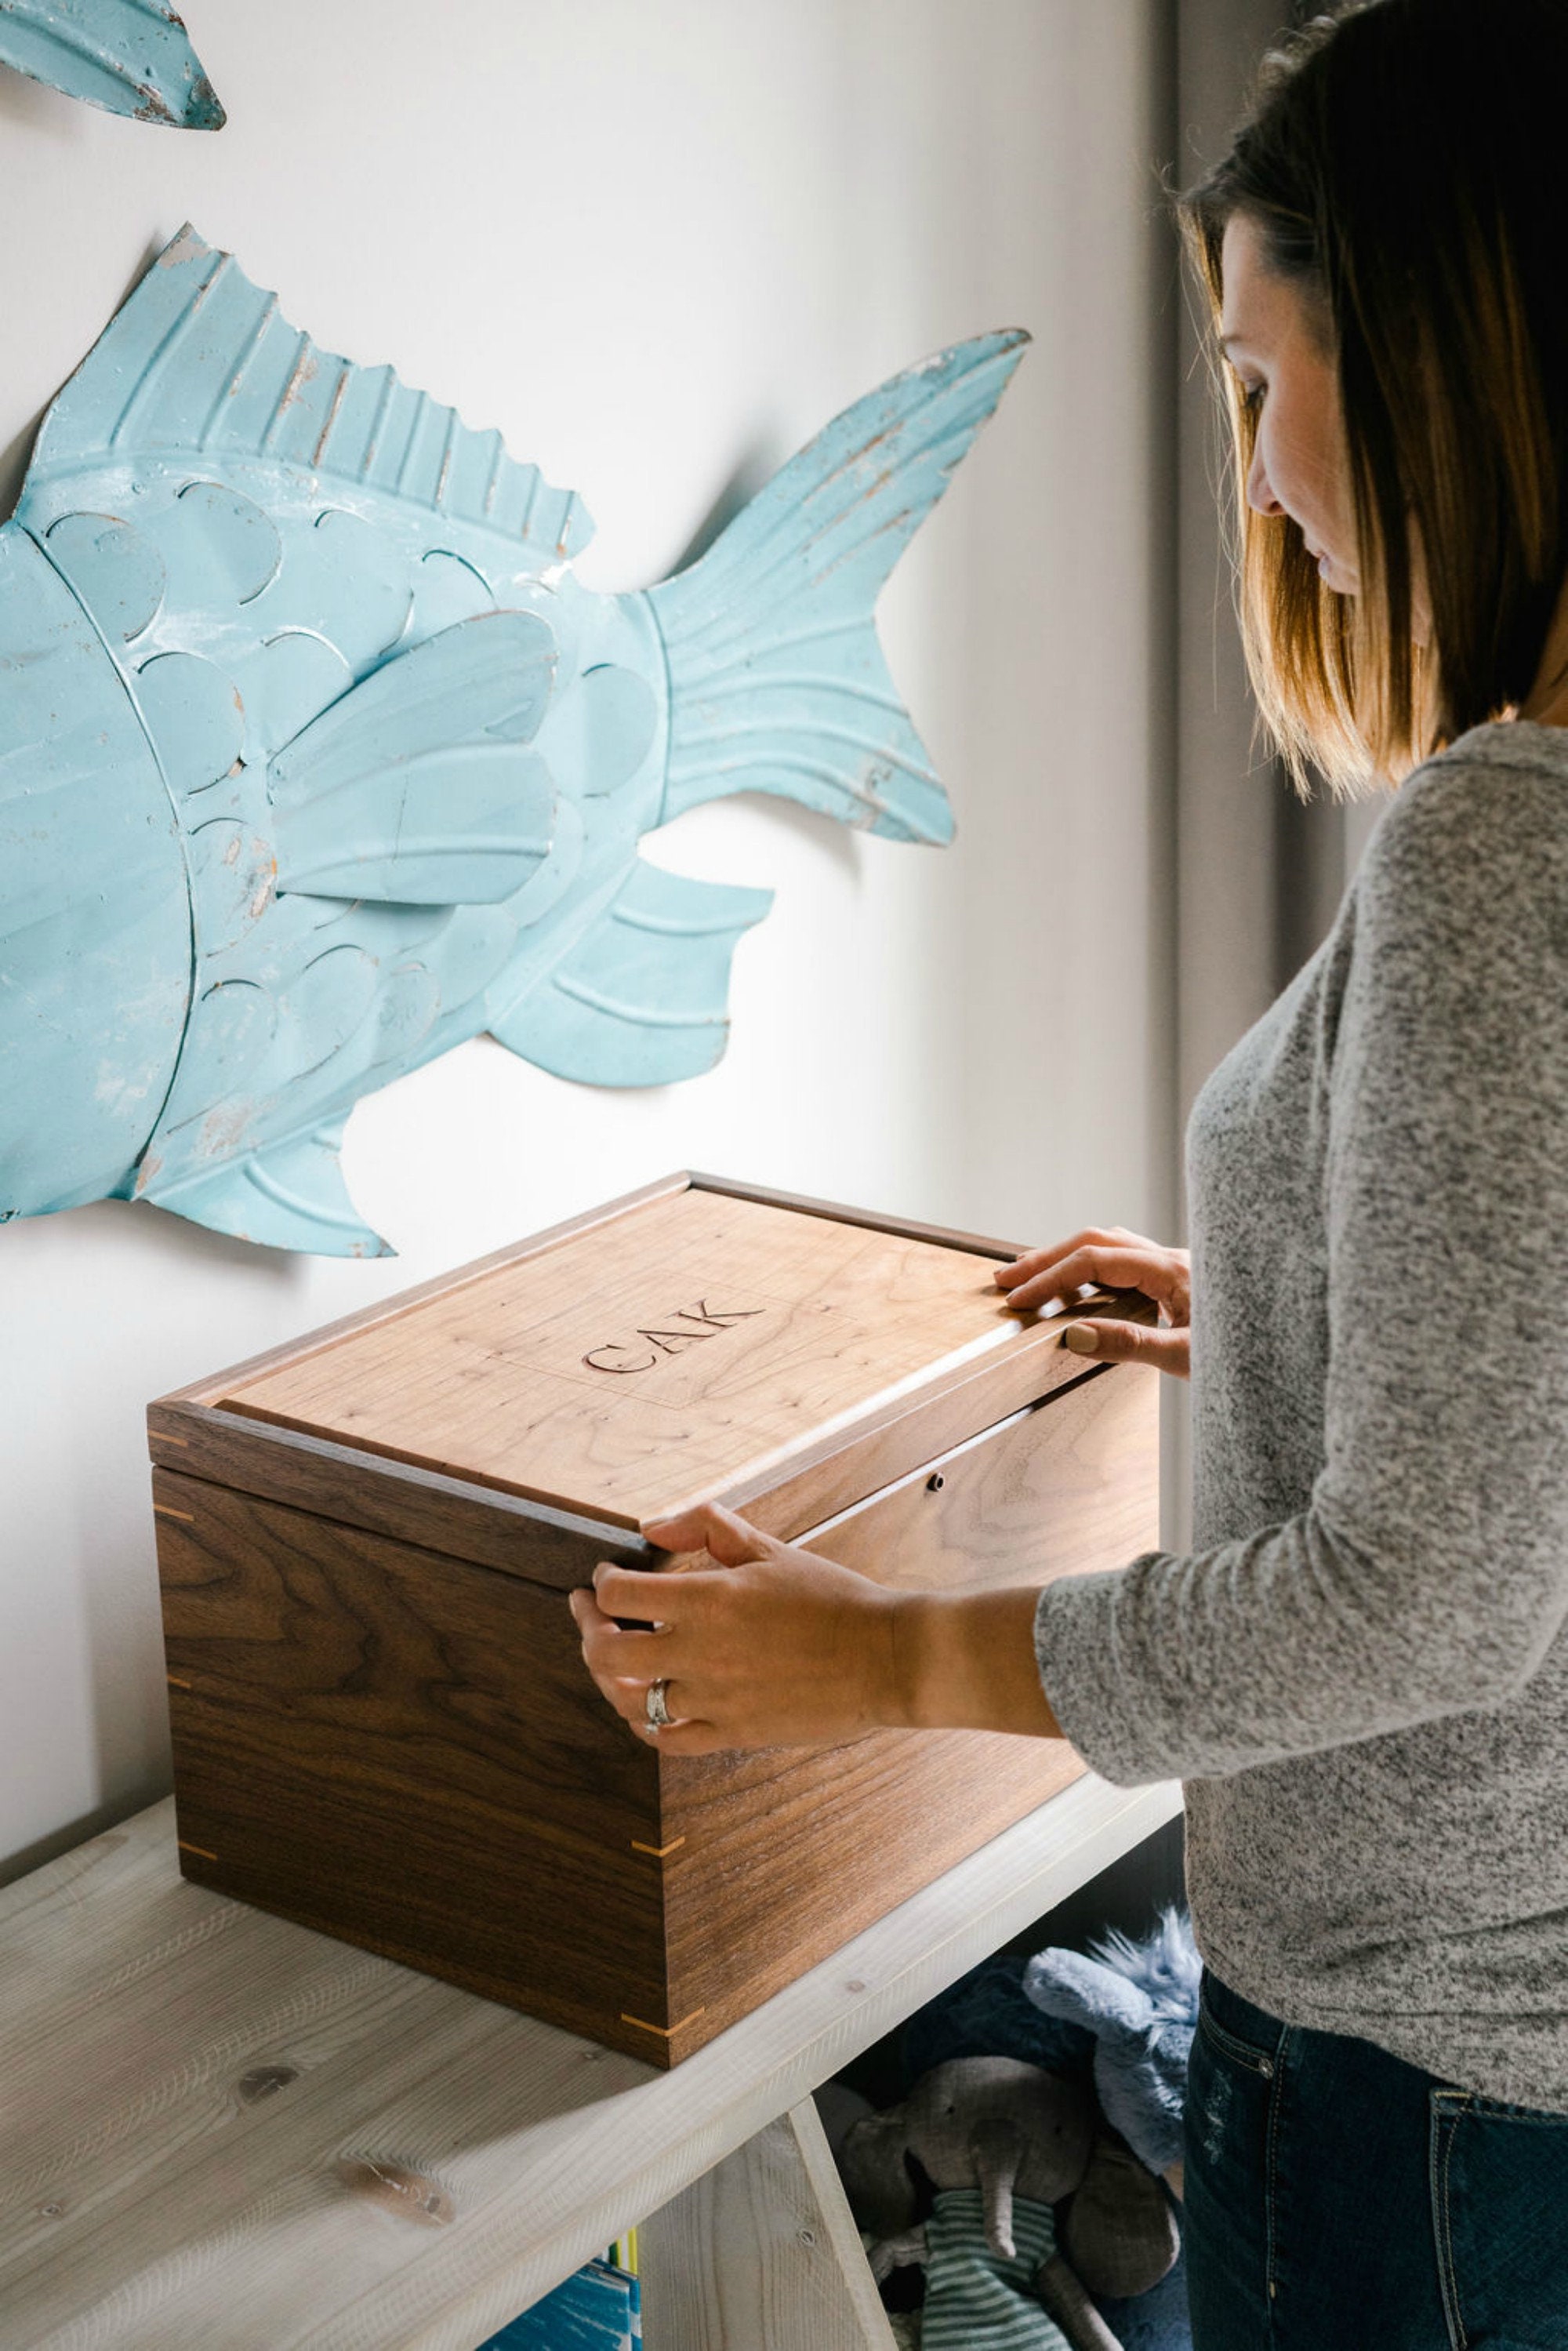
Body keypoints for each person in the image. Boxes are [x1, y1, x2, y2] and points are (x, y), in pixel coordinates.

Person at [570, 1, 1568, 2339]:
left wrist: (858, 1655)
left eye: (1256, 377)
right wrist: (1282, 1292)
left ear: (1433, 347)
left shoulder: (1505, 846)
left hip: (1419, 2076)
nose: (1261, 470)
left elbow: (1432, 1602)